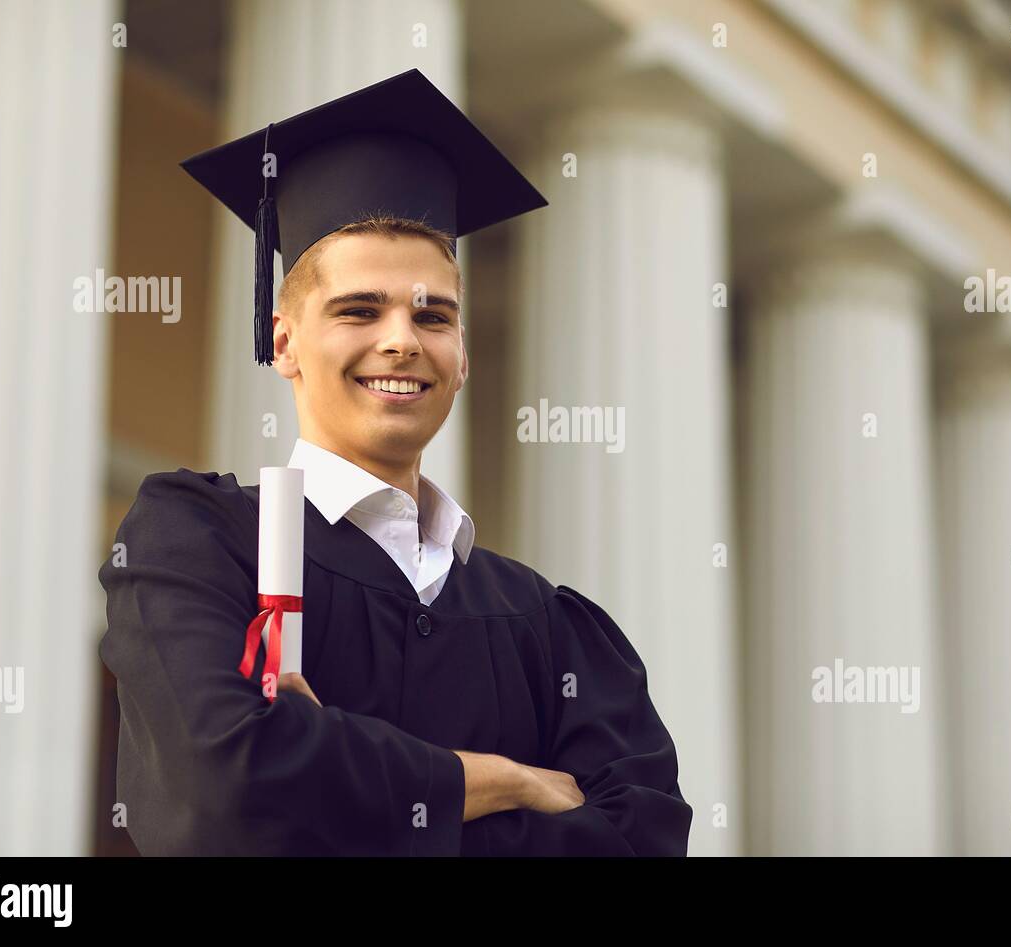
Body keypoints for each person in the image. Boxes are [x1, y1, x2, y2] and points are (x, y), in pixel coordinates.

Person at [98, 68, 692, 856]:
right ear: (284, 340)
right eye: (359, 309)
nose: (402, 339)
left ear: (462, 352)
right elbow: (225, 787)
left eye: (433, 314)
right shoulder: (199, 543)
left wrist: (325, 775)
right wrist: (502, 781)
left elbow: (642, 840)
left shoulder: (548, 627)